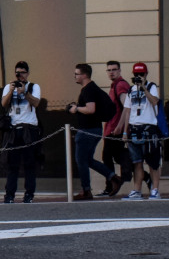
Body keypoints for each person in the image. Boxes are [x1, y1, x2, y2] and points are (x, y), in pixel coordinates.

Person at [67, 62, 116, 200]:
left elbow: (90, 109)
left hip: (87, 131)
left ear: (84, 75)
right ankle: (113, 178)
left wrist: (76, 108)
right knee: (87, 160)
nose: (75, 76)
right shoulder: (92, 88)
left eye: (76, 74)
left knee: (81, 160)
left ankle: (86, 190)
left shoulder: (88, 90)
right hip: (94, 129)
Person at [118, 61, 162, 200]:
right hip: (134, 128)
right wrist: (125, 131)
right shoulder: (131, 90)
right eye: (136, 74)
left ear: (146, 74)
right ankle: (137, 190)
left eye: (141, 74)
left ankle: (155, 189)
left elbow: (155, 102)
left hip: (149, 127)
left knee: (153, 161)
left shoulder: (151, 86)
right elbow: (127, 111)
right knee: (136, 162)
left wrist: (143, 88)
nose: (139, 76)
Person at [0, 61, 41, 203]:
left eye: (23, 73)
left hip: (29, 129)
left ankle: (29, 194)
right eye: (18, 73)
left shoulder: (34, 87)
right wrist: (12, 91)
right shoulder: (8, 87)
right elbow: (4, 104)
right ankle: (9, 195)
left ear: (28, 73)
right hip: (13, 129)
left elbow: (36, 103)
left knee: (30, 164)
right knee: (12, 165)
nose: (20, 76)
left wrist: (24, 92)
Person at [101, 61, 133, 197]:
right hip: (111, 128)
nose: (111, 72)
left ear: (119, 70)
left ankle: (111, 185)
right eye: (109, 70)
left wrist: (121, 127)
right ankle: (145, 177)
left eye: (114, 69)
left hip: (115, 130)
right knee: (118, 157)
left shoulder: (120, 86)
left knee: (107, 157)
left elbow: (127, 107)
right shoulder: (115, 86)